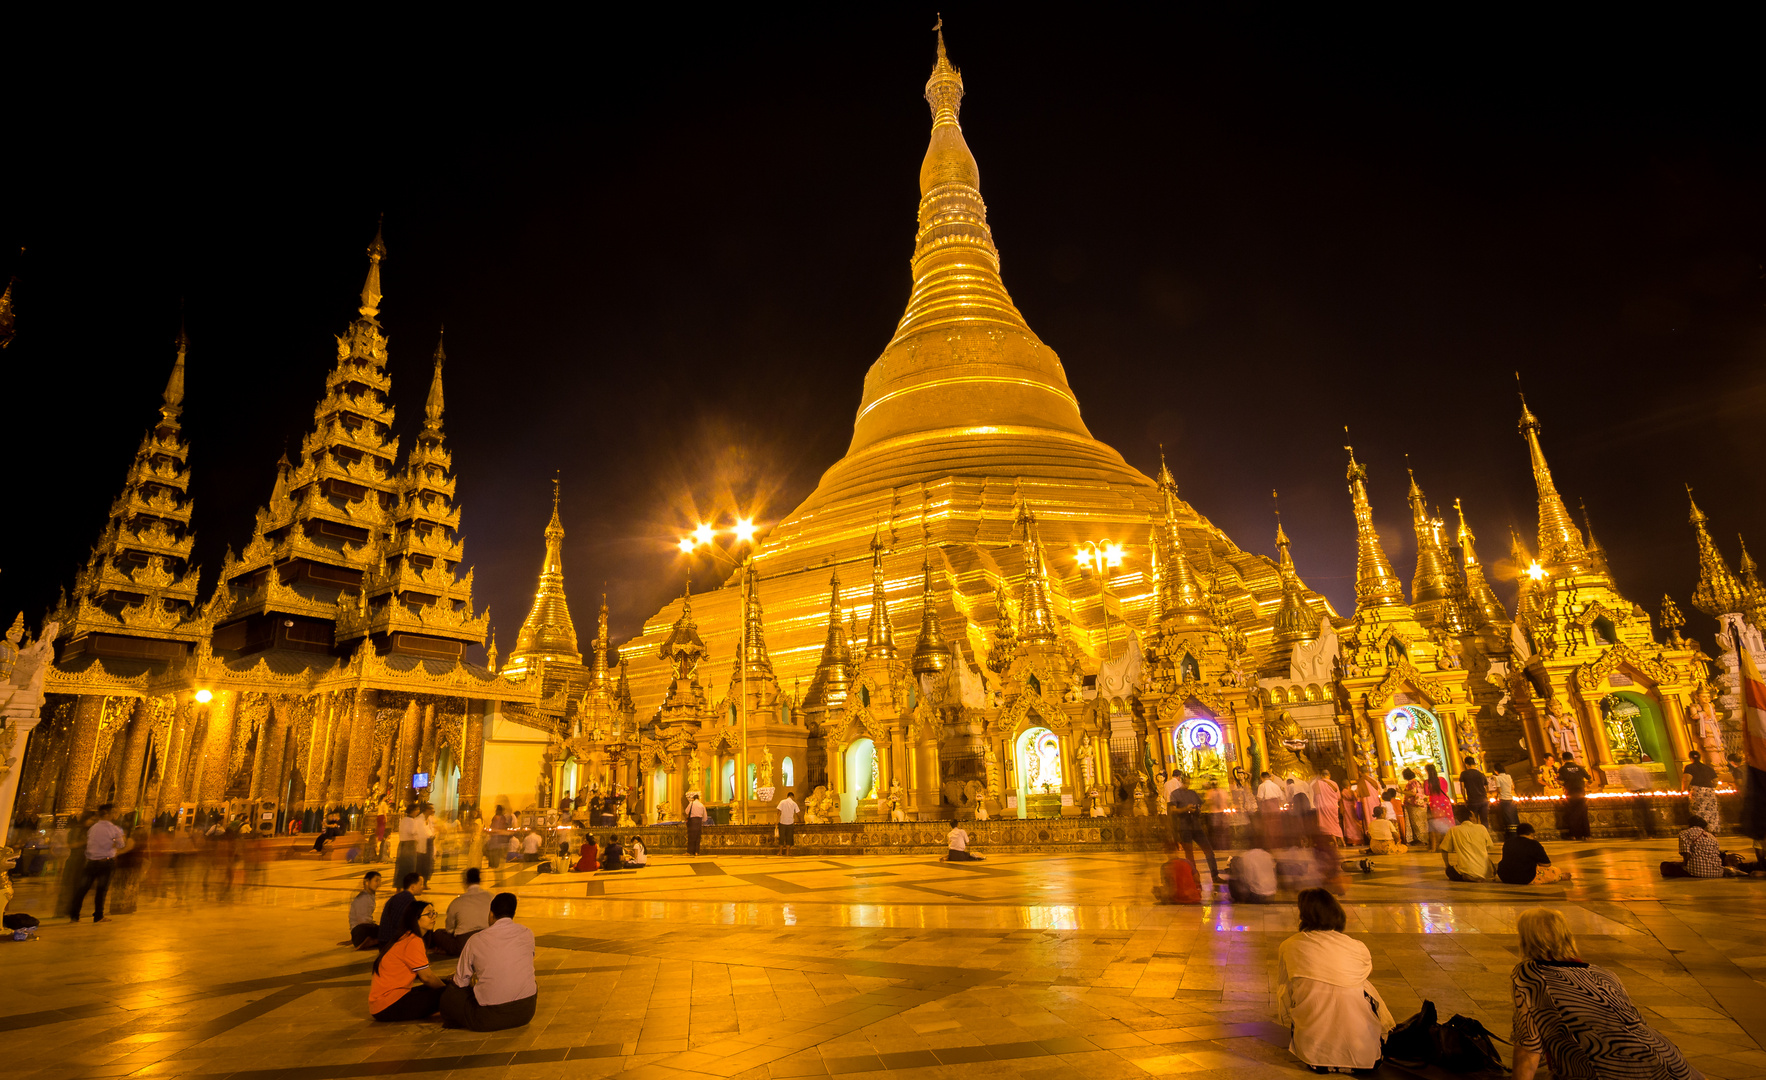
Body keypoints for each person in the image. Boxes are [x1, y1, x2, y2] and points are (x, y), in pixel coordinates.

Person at [1509, 908, 1701, 1080]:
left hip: (1606, 1067)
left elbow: (1529, 1046)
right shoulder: (1604, 973)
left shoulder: (1530, 974)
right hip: (1669, 1061)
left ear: (1526, 939)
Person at [1275, 888, 1396, 1071]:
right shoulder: (1357, 947)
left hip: (1314, 1057)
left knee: (1297, 985)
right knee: (1363, 985)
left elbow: (1285, 990)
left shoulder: (1290, 946)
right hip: (1368, 1058)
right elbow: (1366, 971)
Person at [441, 891, 537, 1030]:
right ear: (513, 914)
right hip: (526, 1012)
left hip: (488, 1017)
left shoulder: (476, 940)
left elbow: (461, 981)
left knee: (450, 995)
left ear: (491, 914)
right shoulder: (527, 933)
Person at [369, 900, 446, 1021]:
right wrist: (447, 991)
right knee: (448, 991)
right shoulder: (413, 941)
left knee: (446, 984)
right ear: (415, 918)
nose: (433, 917)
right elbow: (427, 977)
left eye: (434, 913)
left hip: (386, 1002)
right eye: (429, 914)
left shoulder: (407, 936)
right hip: (388, 1006)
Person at [68, 803, 126, 923]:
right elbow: (121, 845)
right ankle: (98, 916)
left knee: (82, 889)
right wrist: (114, 843)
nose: (115, 815)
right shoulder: (114, 829)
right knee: (101, 890)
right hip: (106, 862)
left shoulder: (93, 828)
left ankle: (74, 915)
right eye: (114, 812)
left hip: (91, 862)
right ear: (108, 814)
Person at [1165, 772, 1219, 883]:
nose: (1187, 784)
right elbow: (1173, 810)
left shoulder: (1193, 793)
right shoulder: (1175, 794)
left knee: (1208, 850)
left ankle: (1215, 875)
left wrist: (1197, 809)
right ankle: (1194, 877)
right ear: (1181, 781)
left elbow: (1201, 806)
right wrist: (1185, 809)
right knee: (1189, 855)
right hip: (1184, 827)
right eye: (1185, 782)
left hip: (1196, 826)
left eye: (1188, 782)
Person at [432, 868, 491, 956]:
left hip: (463, 945)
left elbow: (449, 929)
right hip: (488, 941)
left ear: (465, 881)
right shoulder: (491, 897)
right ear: (480, 880)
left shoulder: (457, 902)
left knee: (438, 934)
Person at [1496, 823, 1569, 885]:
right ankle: (1560, 876)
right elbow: (1547, 864)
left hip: (1505, 877)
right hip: (1525, 878)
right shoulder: (1534, 843)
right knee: (1554, 870)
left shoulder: (1508, 842)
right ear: (1531, 834)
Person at [1441, 803, 1493, 882]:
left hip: (1466, 870)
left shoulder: (1453, 830)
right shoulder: (1482, 828)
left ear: (1458, 819)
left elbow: (1444, 849)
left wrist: (1447, 865)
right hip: (1484, 871)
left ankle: (1467, 875)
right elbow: (1489, 846)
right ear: (1471, 817)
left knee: (1449, 871)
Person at [378, 872, 427, 948]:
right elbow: (412, 926)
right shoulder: (410, 901)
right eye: (420, 884)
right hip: (392, 944)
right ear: (412, 887)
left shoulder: (396, 897)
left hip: (383, 942)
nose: (422, 887)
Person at [1682, 751, 1722, 833]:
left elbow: (1687, 779)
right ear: (1700, 757)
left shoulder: (1689, 767)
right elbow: (1715, 781)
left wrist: (1684, 790)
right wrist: (1711, 788)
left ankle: (1700, 830)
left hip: (1697, 790)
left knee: (1698, 810)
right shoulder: (1709, 768)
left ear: (1691, 758)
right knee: (1711, 811)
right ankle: (1712, 829)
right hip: (1710, 791)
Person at [1557, 753, 1592, 840]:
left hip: (1570, 793)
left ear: (1563, 759)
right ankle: (1587, 835)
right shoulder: (1580, 768)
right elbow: (1590, 779)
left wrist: (1564, 785)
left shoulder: (1562, 769)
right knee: (1583, 813)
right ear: (1572, 758)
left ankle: (1573, 835)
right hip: (1581, 792)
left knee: (1572, 813)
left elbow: (1560, 781)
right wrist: (1586, 785)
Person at [1422, 763, 1453, 850]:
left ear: (1427, 771)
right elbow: (1446, 790)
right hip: (1445, 802)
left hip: (1435, 803)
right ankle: (1450, 842)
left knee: (1437, 823)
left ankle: (1438, 844)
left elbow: (1427, 793)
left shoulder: (1427, 782)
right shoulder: (1442, 779)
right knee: (1448, 821)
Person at [348, 871, 382, 949]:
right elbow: (362, 920)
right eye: (376, 881)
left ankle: (372, 941)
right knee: (388, 931)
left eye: (380, 881)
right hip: (361, 932)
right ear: (367, 882)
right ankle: (371, 941)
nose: (378, 884)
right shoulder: (363, 898)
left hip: (359, 932)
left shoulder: (369, 895)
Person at [395, 802, 425, 885]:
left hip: (403, 844)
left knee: (402, 867)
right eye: (417, 810)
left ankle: (399, 885)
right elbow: (412, 831)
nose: (418, 811)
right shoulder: (411, 821)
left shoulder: (404, 820)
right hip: (410, 845)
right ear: (412, 811)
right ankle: (408, 885)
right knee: (409, 866)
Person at [1311, 772, 1344, 846]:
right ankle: (1343, 842)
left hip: (1323, 807)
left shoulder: (1317, 783)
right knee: (1335, 823)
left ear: (1321, 775)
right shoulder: (1334, 783)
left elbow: (1315, 796)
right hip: (1333, 807)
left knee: (1326, 825)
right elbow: (1338, 797)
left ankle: (1335, 842)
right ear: (1329, 775)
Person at [1459, 756, 1489, 827]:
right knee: (1484, 821)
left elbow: (1462, 788)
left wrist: (1464, 799)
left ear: (1466, 764)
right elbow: (1487, 787)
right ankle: (1485, 832)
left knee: (1474, 821)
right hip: (1483, 800)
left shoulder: (1464, 774)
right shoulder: (1481, 774)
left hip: (1472, 801)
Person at [1491, 762, 1518, 839]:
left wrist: (1494, 795)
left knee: (1507, 819)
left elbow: (1499, 789)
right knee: (1513, 817)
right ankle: (1516, 834)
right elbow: (1512, 787)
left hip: (1503, 799)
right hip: (1510, 799)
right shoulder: (1508, 776)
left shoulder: (1498, 778)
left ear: (1496, 771)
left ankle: (1510, 836)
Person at [1400, 768, 1426, 846]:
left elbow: (1413, 793)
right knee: (1419, 822)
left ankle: (1419, 839)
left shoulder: (1411, 783)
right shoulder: (1416, 781)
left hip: (1413, 804)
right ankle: (1420, 838)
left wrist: (1401, 791)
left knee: (1415, 822)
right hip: (1417, 804)